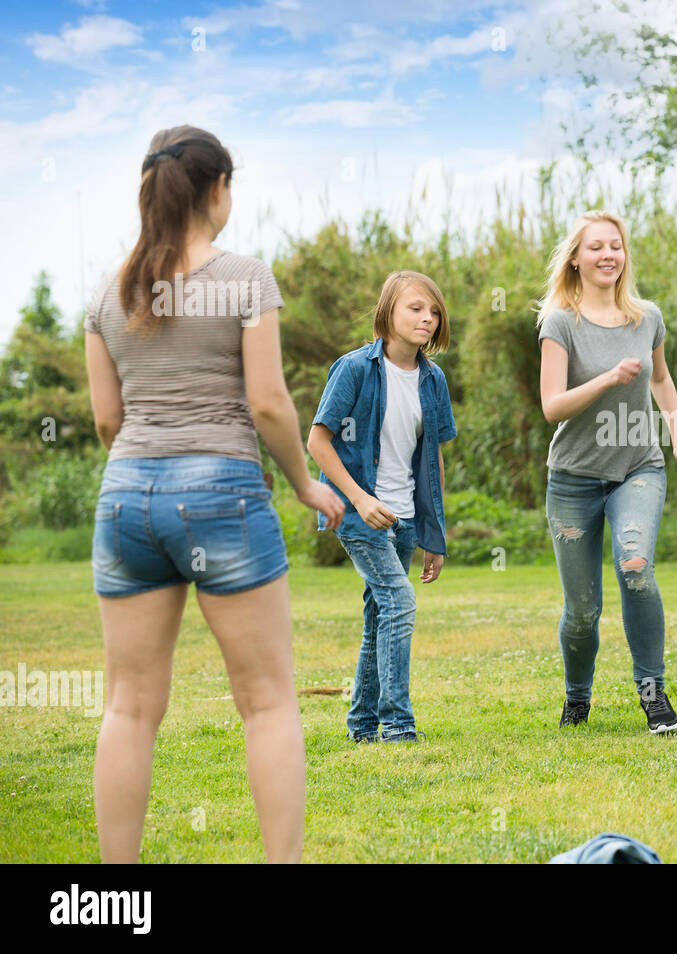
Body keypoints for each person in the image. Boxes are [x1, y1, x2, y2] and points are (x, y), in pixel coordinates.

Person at [85, 125, 344, 863]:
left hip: (126, 493)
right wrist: (302, 484)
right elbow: (267, 402)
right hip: (223, 493)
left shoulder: (111, 292)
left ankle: (115, 893)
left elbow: (109, 419)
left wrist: (151, 473)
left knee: (129, 709)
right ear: (218, 188)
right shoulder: (246, 277)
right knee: (266, 702)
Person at [537, 210, 677, 733]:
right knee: (582, 609)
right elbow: (553, 406)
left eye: (616, 246)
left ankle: (653, 693)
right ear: (576, 259)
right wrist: (608, 378)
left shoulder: (645, 317)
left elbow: (664, 383)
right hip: (573, 477)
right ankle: (577, 697)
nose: (608, 255)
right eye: (596, 247)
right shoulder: (560, 322)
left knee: (636, 567)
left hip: (638, 466)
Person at [306, 271, 456, 744]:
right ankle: (397, 723)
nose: (427, 319)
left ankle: (362, 724)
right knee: (400, 602)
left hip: (406, 516)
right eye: (415, 308)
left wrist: (435, 533)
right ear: (388, 309)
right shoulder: (354, 369)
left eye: (433, 311)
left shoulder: (434, 380)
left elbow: (432, 459)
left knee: (380, 616)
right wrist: (359, 498)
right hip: (357, 513)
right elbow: (317, 441)